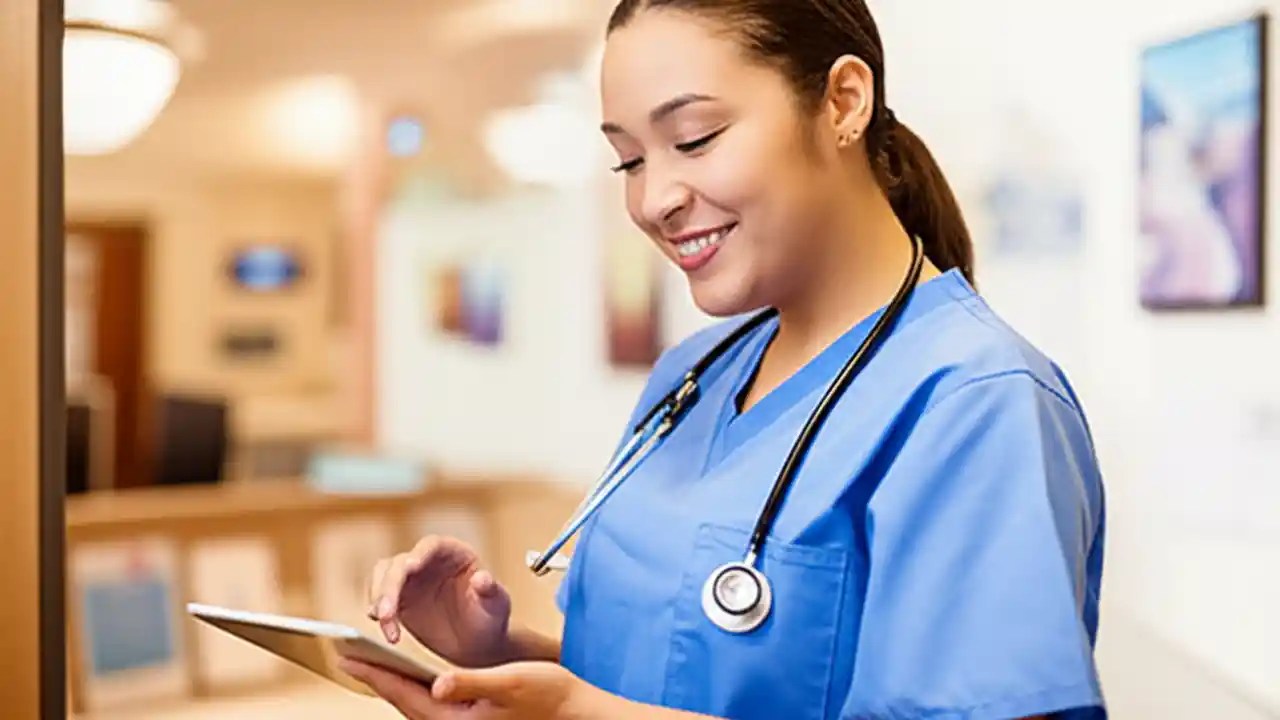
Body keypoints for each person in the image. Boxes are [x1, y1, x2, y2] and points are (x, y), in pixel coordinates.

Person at [342, 1, 1108, 718]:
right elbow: (662, 678)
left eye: (695, 138)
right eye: (629, 161)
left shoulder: (976, 402)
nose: (654, 200)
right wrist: (496, 659)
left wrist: (579, 713)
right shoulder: (690, 377)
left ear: (843, 102)